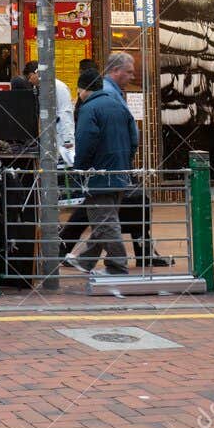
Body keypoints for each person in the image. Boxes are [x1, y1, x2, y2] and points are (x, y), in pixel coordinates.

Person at [65, 64, 140, 275]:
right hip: (120, 173)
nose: (78, 96)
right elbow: (134, 138)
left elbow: (86, 142)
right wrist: (125, 161)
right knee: (105, 218)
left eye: (78, 91)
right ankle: (86, 261)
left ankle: (117, 264)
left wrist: (79, 170)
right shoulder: (119, 104)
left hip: (98, 175)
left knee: (105, 221)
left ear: (84, 89)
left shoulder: (89, 108)